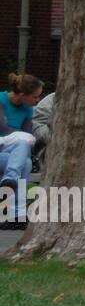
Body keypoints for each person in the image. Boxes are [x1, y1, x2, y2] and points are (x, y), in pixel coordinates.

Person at [1, 73, 42, 228]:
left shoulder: (27, 109)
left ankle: (16, 214)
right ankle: (17, 213)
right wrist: (18, 137)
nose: (37, 100)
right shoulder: (1, 100)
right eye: (35, 97)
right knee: (22, 148)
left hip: (12, 157)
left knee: (24, 162)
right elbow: (2, 129)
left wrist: (21, 139)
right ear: (23, 95)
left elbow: (27, 134)